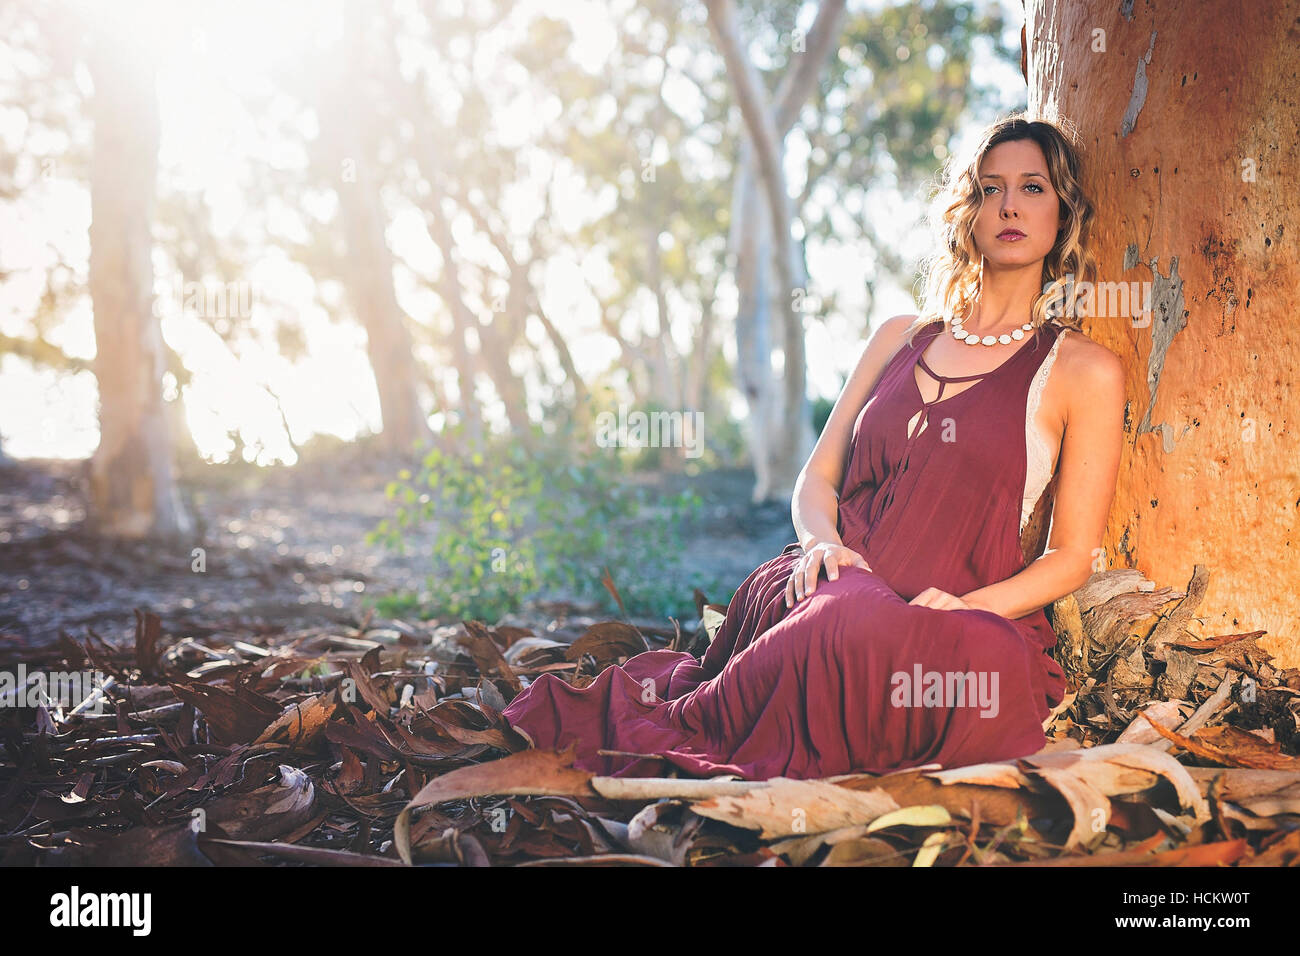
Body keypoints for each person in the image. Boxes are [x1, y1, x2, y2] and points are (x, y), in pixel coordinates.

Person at [499, 113, 1125, 781]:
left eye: (1033, 188)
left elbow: (1071, 556)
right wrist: (822, 544)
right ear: (967, 210)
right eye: (990, 187)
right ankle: (703, 720)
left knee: (983, 669)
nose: (1009, 205)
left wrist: (971, 607)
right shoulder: (898, 337)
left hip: (949, 618)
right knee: (836, 616)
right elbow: (818, 477)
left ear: (1063, 211)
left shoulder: (1082, 371)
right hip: (827, 580)